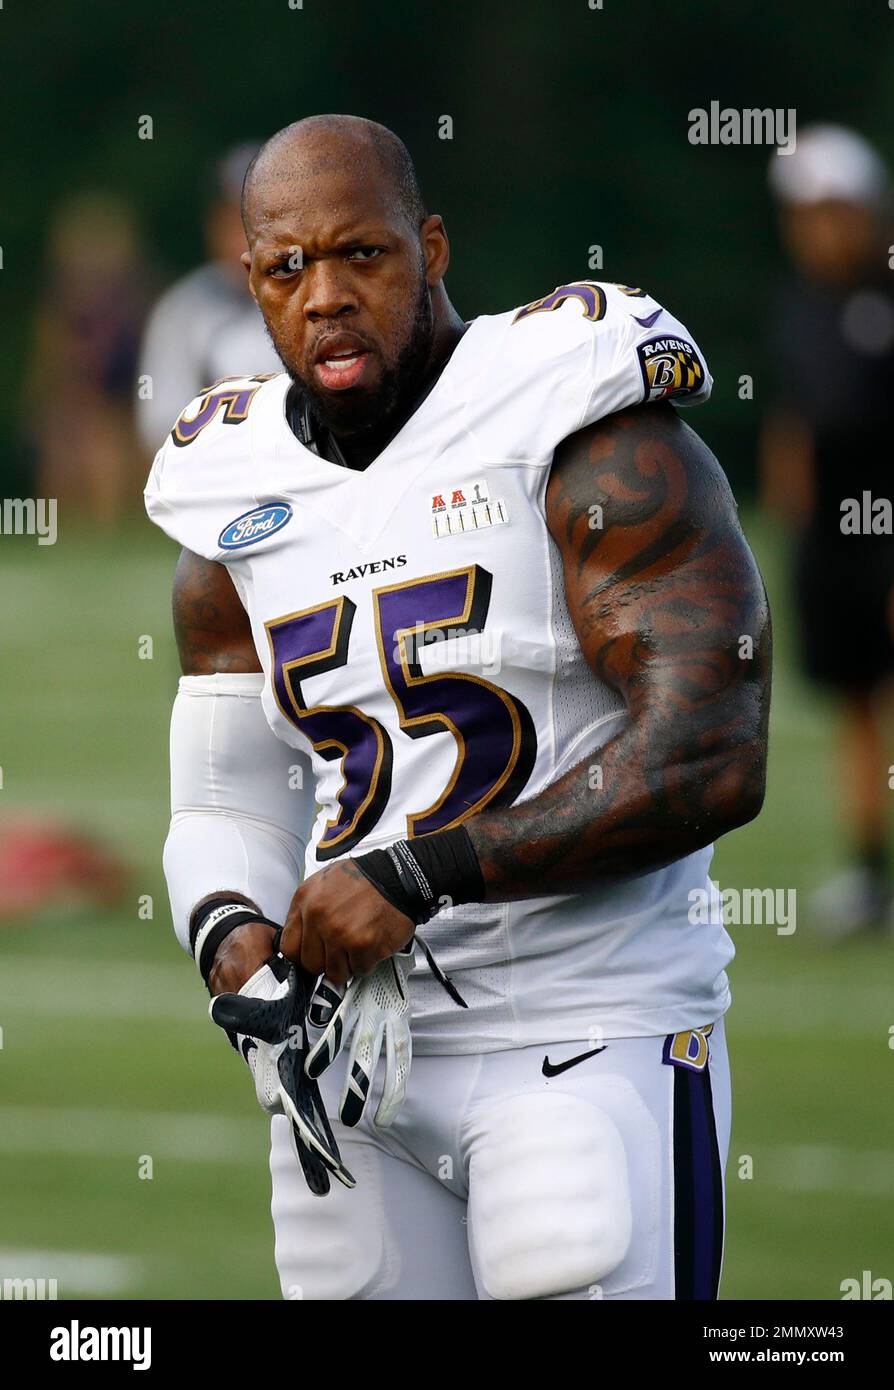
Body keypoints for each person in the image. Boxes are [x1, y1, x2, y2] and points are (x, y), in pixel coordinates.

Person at [145, 115, 770, 1300]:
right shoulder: (227, 485)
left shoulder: (573, 406)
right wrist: (240, 950)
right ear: (253, 282)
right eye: (290, 268)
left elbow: (711, 752)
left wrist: (418, 874)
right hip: (358, 1051)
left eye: (362, 256)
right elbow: (227, 788)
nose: (325, 296)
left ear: (430, 246)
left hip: (591, 1026)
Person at [762, 124, 894, 936]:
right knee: (854, 702)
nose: (819, 229)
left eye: (832, 210)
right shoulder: (798, 306)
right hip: (829, 546)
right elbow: (796, 413)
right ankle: (871, 875)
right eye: (805, 213)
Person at [136, 143, 281, 454]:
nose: (249, 239)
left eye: (263, 222)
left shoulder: (316, 297)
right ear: (213, 228)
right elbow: (162, 426)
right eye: (237, 224)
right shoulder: (184, 311)